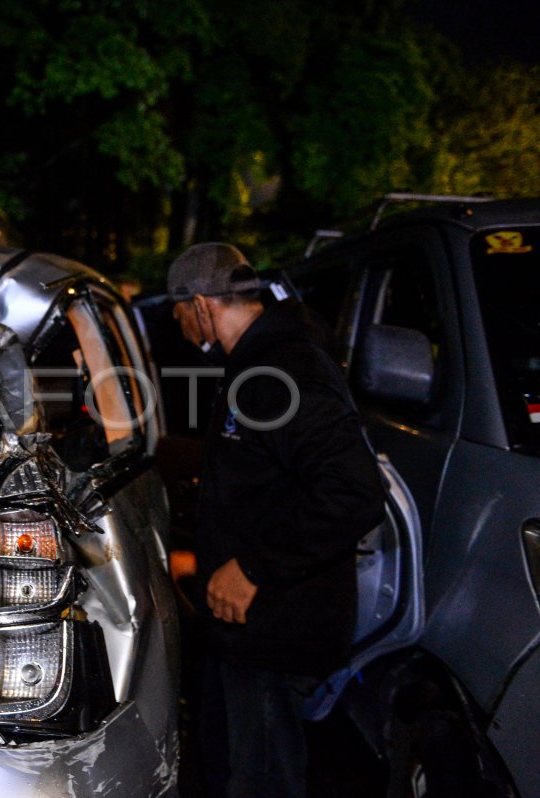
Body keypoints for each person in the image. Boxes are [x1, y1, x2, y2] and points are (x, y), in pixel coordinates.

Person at [167, 242, 385, 798]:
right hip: (245, 630)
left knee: (262, 781)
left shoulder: (283, 369)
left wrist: (255, 567)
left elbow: (354, 491)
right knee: (227, 762)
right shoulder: (256, 364)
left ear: (201, 305)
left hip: (275, 627)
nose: (180, 327)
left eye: (178, 313)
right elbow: (265, 472)